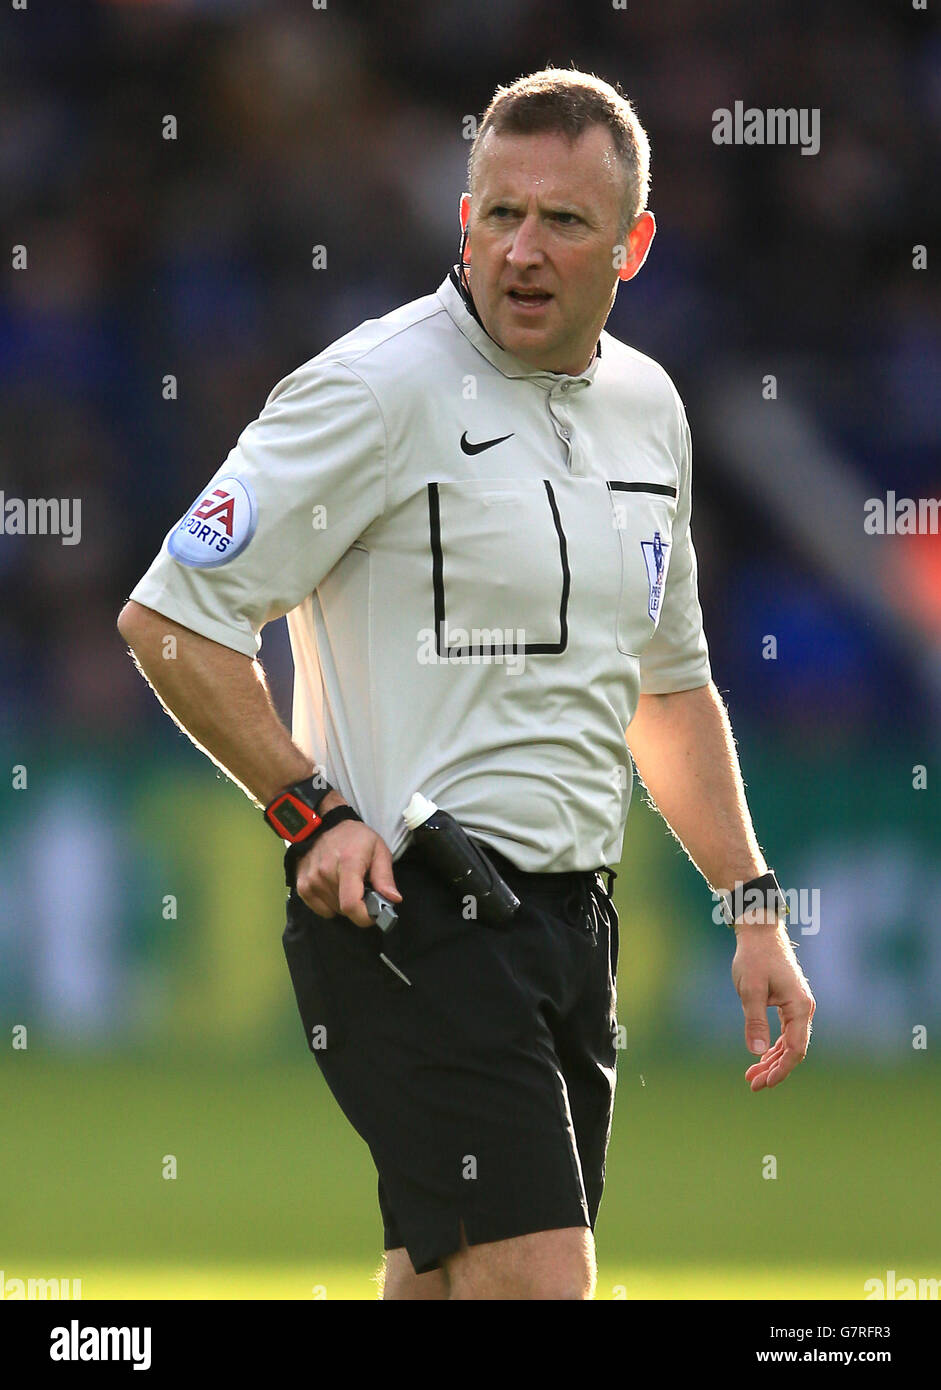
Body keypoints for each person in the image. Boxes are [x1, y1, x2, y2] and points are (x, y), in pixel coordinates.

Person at [117, 68, 815, 1301]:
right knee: (541, 1283)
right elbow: (170, 620)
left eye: (563, 221)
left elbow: (668, 690)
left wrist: (748, 903)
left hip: (569, 929)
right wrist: (305, 810)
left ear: (633, 243)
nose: (524, 250)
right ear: (463, 219)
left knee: (441, 1282)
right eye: (500, 213)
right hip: (411, 915)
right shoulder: (374, 389)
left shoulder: (650, 411)